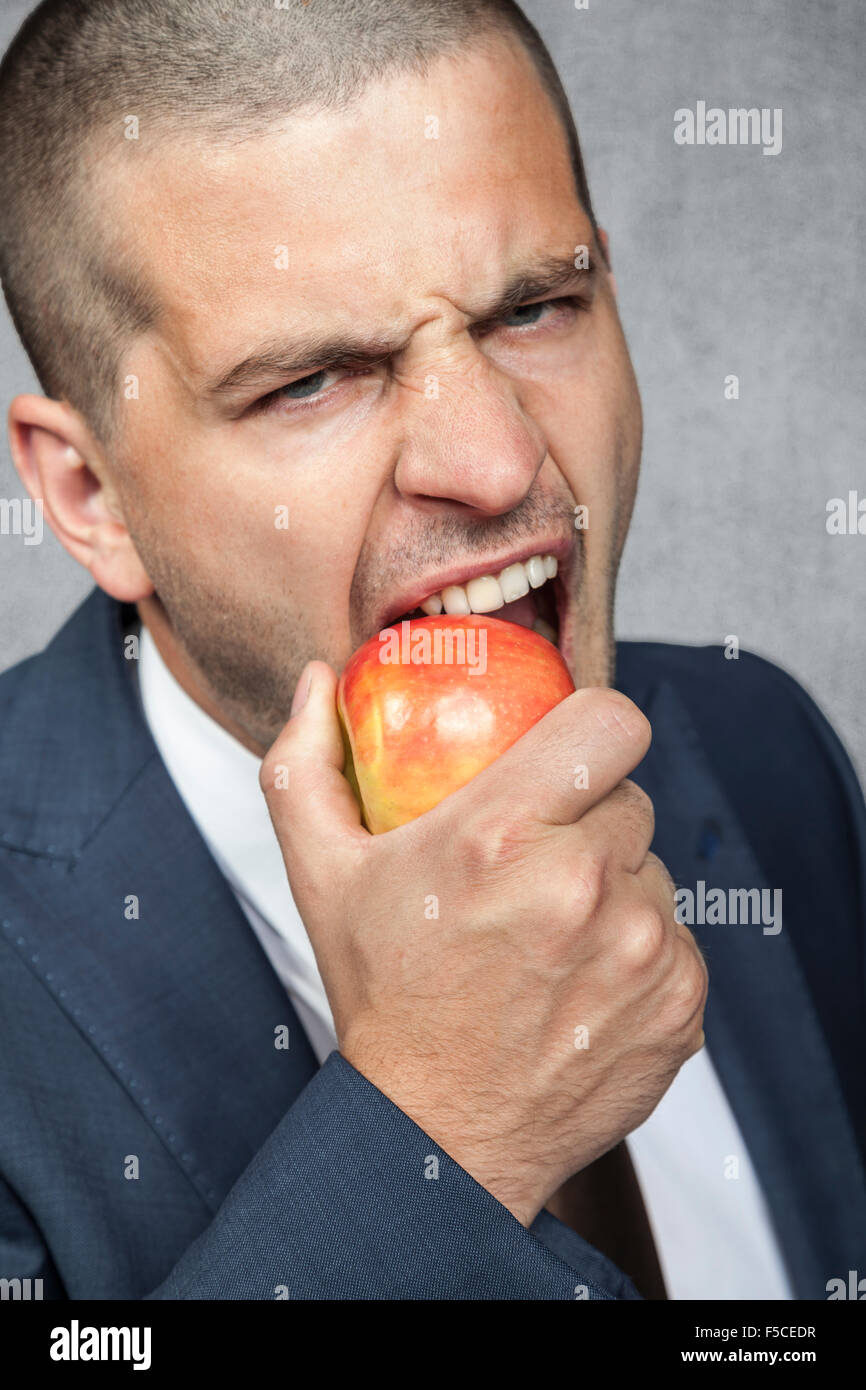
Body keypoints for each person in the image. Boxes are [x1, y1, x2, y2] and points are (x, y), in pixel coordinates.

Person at [0, 0, 863, 1302]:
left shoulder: (760, 741)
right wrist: (439, 1135)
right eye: (311, 380)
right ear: (90, 496)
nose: (498, 460)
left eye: (533, 307)